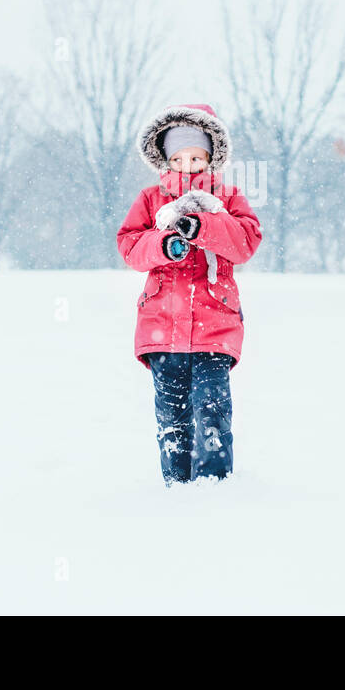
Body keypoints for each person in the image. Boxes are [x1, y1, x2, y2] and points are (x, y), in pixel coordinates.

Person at [115, 103, 263, 485]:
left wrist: (200, 227)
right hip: (161, 327)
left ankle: (214, 485)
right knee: (172, 416)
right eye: (179, 157)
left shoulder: (228, 199)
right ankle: (176, 486)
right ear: (165, 158)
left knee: (212, 410)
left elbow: (244, 242)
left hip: (215, 326)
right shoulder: (151, 200)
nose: (188, 165)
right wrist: (165, 244)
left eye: (196, 157)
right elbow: (130, 246)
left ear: (212, 156)